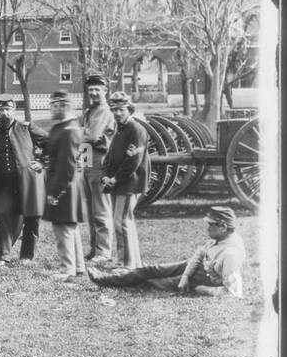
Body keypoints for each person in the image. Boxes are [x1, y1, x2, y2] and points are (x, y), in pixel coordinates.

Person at [87, 206, 245, 295]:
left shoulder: (231, 254)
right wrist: (185, 276)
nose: (207, 228)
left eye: (211, 224)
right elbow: (199, 255)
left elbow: (233, 292)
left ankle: (107, 280)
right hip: (193, 268)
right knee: (152, 269)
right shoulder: (220, 238)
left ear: (223, 226)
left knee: (151, 283)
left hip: (201, 280)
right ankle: (109, 278)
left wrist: (203, 289)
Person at [0, 97, 46, 264]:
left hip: (27, 182)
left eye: (8, 109)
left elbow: (49, 142)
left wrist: (42, 161)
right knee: (2, 214)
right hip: (5, 185)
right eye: (1, 110)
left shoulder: (26, 128)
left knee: (31, 217)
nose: (4, 113)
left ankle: (27, 256)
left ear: (14, 110)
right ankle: (3, 255)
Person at [101, 91, 150, 269]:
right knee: (123, 222)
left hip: (130, 183)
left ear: (129, 109)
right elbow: (110, 156)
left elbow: (133, 162)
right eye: (114, 110)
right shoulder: (119, 129)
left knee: (121, 222)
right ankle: (131, 261)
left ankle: (127, 264)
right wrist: (105, 175)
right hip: (118, 183)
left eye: (121, 109)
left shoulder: (136, 130)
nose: (117, 113)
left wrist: (115, 178)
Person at [42, 90, 87, 280]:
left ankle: (66, 269)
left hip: (64, 186)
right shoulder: (64, 128)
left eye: (54, 105)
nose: (51, 109)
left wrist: (55, 192)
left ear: (63, 106)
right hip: (67, 185)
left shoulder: (68, 131)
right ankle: (78, 266)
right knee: (70, 227)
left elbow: (66, 166)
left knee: (63, 228)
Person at [81, 74, 116, 263]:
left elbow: (93, 136)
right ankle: (94, 249)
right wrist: (83, 165)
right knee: (91, 211)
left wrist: (75, 134)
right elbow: (85, 142)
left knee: (101, 210)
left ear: (105, 91)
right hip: (88, 166)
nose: (93, 93)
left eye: (97, 89)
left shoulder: (104, 111)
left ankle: (103, 252)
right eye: (91, 89)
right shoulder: (89, 112)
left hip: (101, 165)